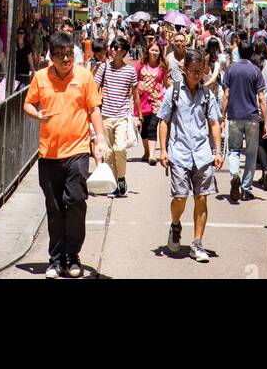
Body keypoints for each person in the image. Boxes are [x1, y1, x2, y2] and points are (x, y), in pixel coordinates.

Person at [24, 30, 106, 279]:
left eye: (69, 54)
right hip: (48, 153)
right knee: (55, 208)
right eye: (59, 55)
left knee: (76, 202)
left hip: (78, 151)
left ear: (74, 53)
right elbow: (27, 103)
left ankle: (73, 255)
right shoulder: (40, 78)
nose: (65, 59)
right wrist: (37, 114)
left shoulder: (84, 77)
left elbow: (94, 109)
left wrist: (99, 138)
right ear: (51, 57)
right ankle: (55, 259)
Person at [157, 47, 223, 264]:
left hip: (202, 154)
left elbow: (214, 122)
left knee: (202, 198)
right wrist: (164, 150)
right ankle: (175, 225)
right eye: (193, 71)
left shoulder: (207, 95)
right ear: (184, 69)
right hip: (179, 152)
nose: (196, 75)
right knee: (180, 198)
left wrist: (217, 150)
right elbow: (163, 120)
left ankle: (197, 243)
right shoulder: (173, 92)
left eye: (200, 71)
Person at [221, 37, 267, 202]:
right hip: (252, 117)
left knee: (234, 150)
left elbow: (226, 95)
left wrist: (222, 115)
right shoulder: (256, 71)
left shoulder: (231, 70)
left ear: (239, 52)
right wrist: (266, 122)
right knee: (250, 154)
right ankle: (246, 189)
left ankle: (235, 175)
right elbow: (262, 98)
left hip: (234, 116)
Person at [93, 37, 142, 197]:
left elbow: (135, 95)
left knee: (119, 148)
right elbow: (94, 90)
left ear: (124, 51)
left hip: (121, 116)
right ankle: (113, 184)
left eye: (117, 47)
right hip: (105, 116)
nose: (112, 50)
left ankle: (121, 178)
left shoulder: (130, 71)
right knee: (107, 153)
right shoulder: (104, 68)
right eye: (112, 47)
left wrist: (139, 116)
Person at [135, 38, 169, 165]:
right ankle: (147, 151)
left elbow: (166, 83)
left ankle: (152, 156)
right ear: (148, 51)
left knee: (152, 126)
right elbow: (134, 80)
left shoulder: (162, 66)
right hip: (141, 99)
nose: (154, 52)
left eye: (157, 50)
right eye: (152, 50)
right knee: (143, 128)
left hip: (156, 100)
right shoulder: (141, 63)